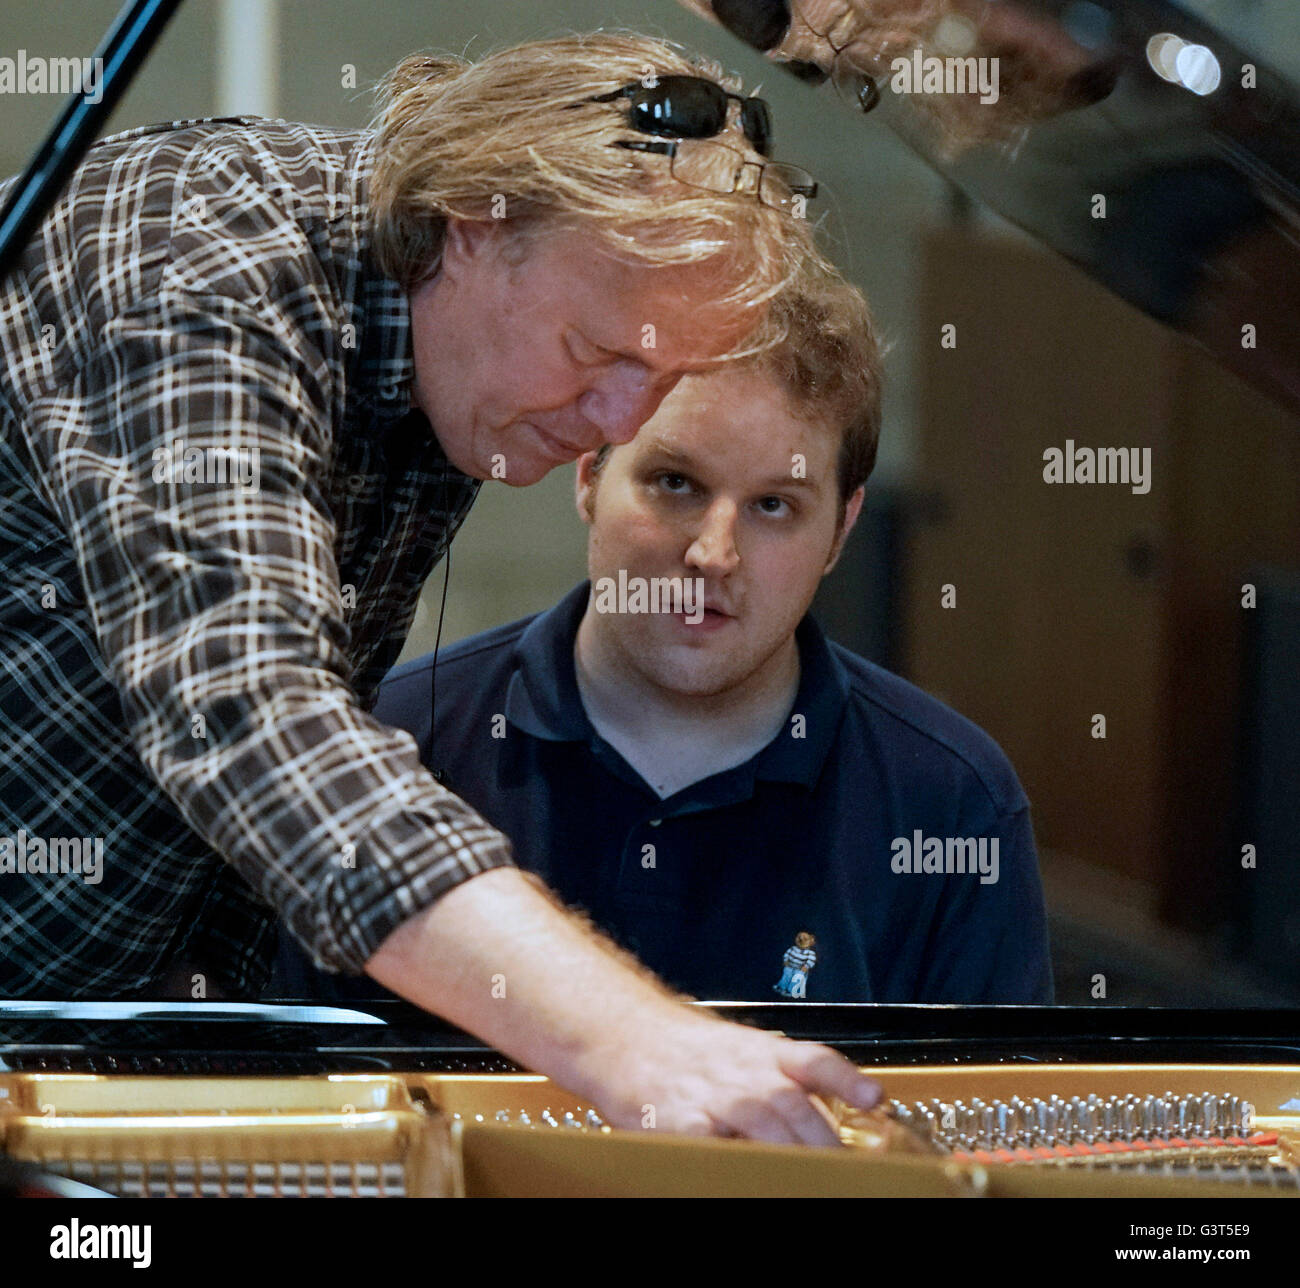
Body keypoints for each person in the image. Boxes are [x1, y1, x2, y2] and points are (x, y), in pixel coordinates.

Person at [0, 33, 881, 1144]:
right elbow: (252, 716)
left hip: (82, 1053)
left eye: (659, 380)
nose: (616, 424)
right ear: (477, 224)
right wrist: (628, 1035)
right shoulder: (196, 253)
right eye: (597, 351)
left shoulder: (446, 357)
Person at [272, 269, 1053, 1008]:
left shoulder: (952, 806)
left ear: (841, 532)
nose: (714, 553)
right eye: (675, 483)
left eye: (774, 505)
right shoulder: (391, 750)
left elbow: (978, 1140)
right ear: (587, 475)